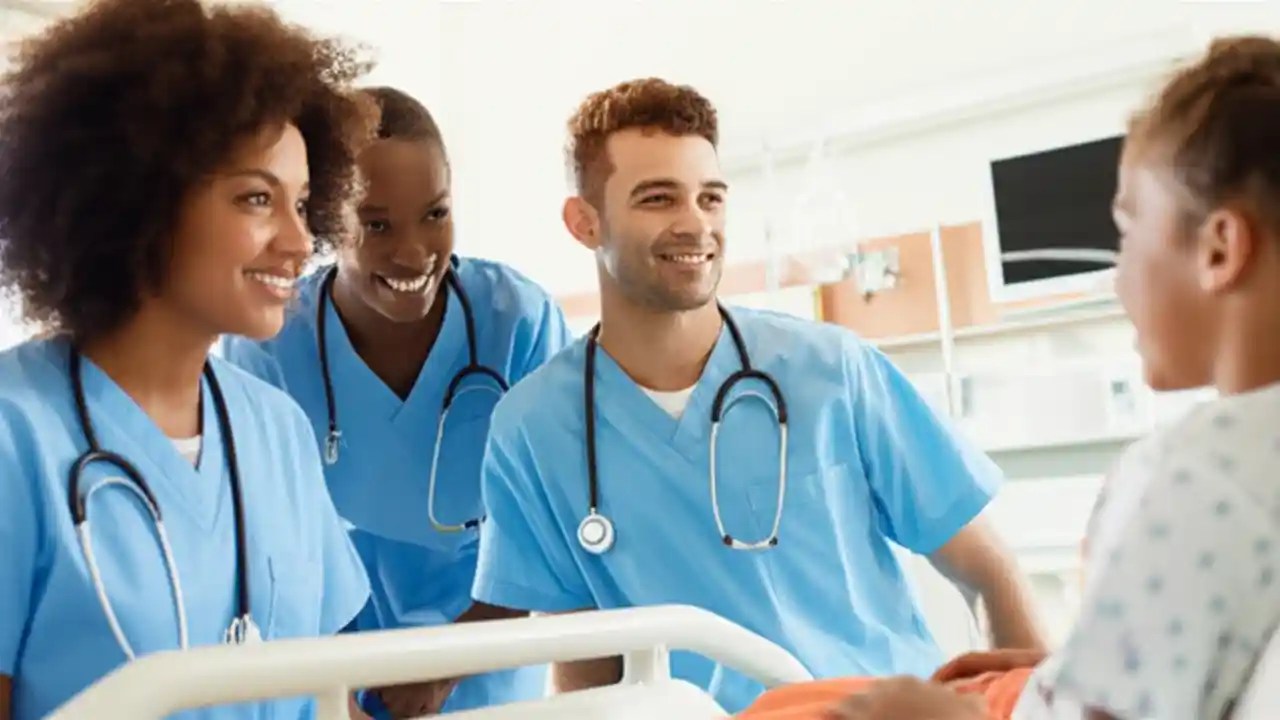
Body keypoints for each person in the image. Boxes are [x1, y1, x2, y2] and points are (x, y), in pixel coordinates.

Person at [470, 77, 1046, 714]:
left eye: (710, 198)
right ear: (585, 222)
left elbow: (987, 568)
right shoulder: (531, 430)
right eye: (658, 198)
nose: (695, 224)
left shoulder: (832, 370)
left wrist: (1038, 705)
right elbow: (585, 661)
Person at [820, 33, 1280, 720]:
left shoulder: (1197, 474)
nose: (1118, 276)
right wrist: (1071, 664)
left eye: (1126, 232)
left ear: (1220, 248)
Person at [0, 1, 378, 718]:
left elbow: (330, 699)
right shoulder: (15, 436)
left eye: (303, 204)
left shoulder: (276, 430)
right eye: (257, 199)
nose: (301, 243)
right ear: (140, 197)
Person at [222, 86, 572, 717]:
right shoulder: (269, 343)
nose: (413, 252)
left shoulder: (516, 322)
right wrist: (335, 688)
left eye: (434, 214)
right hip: (333, 653)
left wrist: (447, 666)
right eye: (377, 224)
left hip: (485, 649)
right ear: (326, 223)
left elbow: (547, 531)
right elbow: (266, 547)